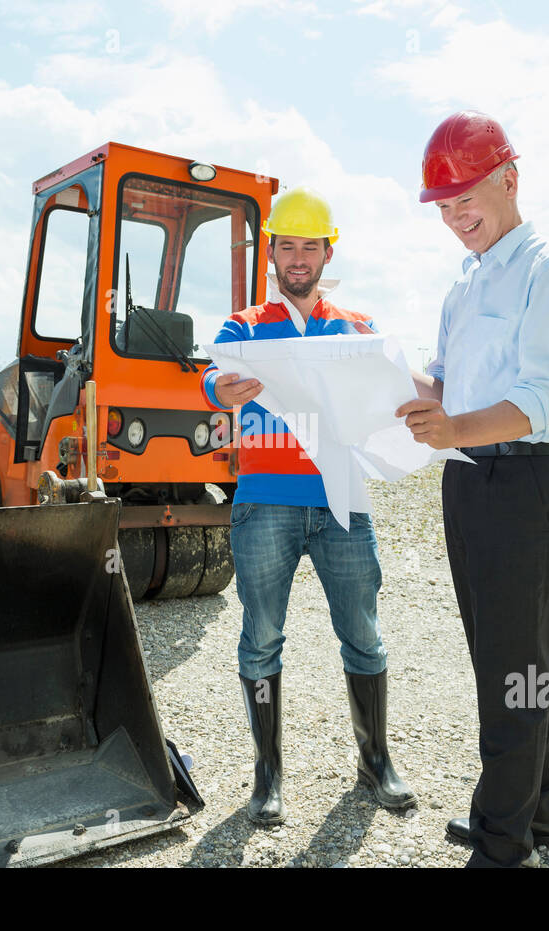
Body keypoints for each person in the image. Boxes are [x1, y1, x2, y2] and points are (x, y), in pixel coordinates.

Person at [396, 111, 549, 867]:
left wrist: (452, 430)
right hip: (470, 480)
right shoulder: (470, 282)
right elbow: (448, 384)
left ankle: (502, 843)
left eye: (465, 200)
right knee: (512, 658)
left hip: (523, 477)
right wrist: (370, 369)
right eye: (443, 207)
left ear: (509, 180)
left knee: (513, 669)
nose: (455, 219)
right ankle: (542, 815)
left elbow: (537, 399)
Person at [200, 187, 416, 825]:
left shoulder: (358, 326)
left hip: (343, 501)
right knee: (261, 639)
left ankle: (375, 761)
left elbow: (390, 384)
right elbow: (212, 377)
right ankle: (268, 776)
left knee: (364, 635)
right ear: (271, 251)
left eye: (310, 246)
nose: (298, 257)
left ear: (328, 251)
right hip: (265, 501)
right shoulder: (243, 324)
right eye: (287, 245)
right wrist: (220, 389)